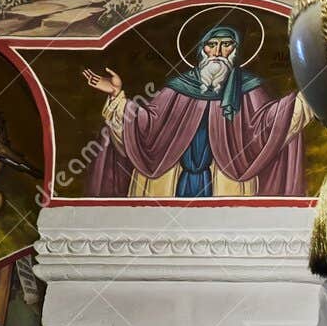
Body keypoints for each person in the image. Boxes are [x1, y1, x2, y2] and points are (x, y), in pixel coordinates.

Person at [84, 23, 309, 198]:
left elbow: (273, 124)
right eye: (211, 44)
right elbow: (144, 127)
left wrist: (310, 93)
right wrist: (116, 95)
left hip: (227, 185)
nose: (218, 51)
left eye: (226, 44)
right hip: (170, 183)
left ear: (235, 50)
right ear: (201, 49)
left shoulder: (248, 89)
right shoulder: (177, 89)